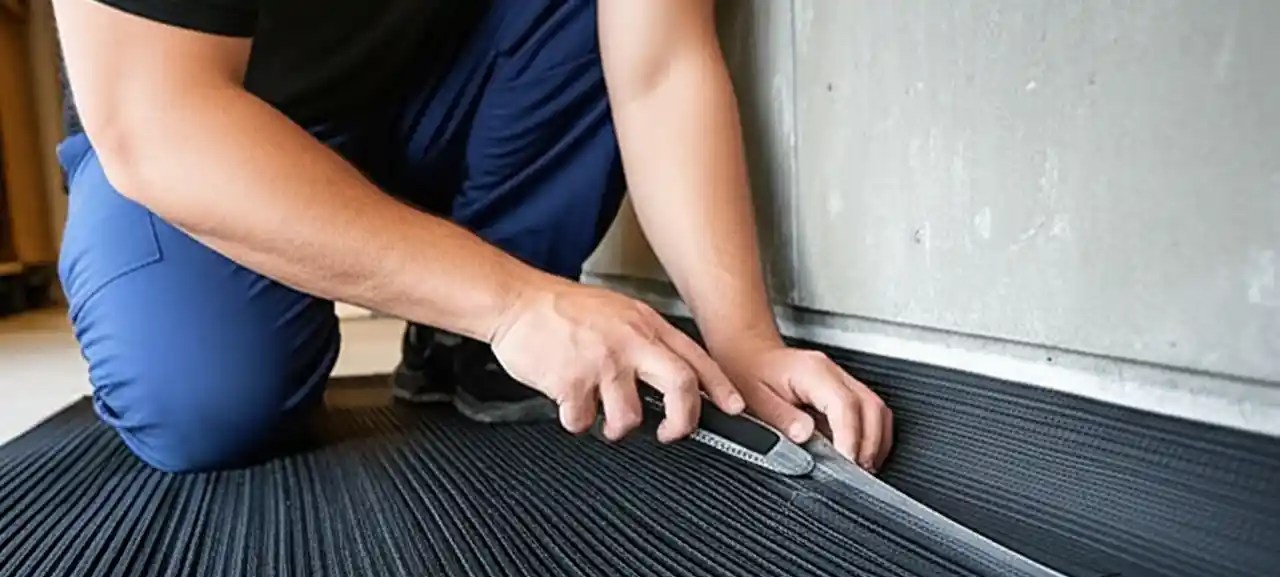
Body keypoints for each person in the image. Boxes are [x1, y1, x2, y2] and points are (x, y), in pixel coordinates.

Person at [52, 0, 893, 473]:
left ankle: (458, 339)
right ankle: (480, 307)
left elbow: (659, 65)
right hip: (207, 122)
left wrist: (741, 337)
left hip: (433, 99)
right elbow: (155, 119)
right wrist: (516, 303)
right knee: (207, 403)